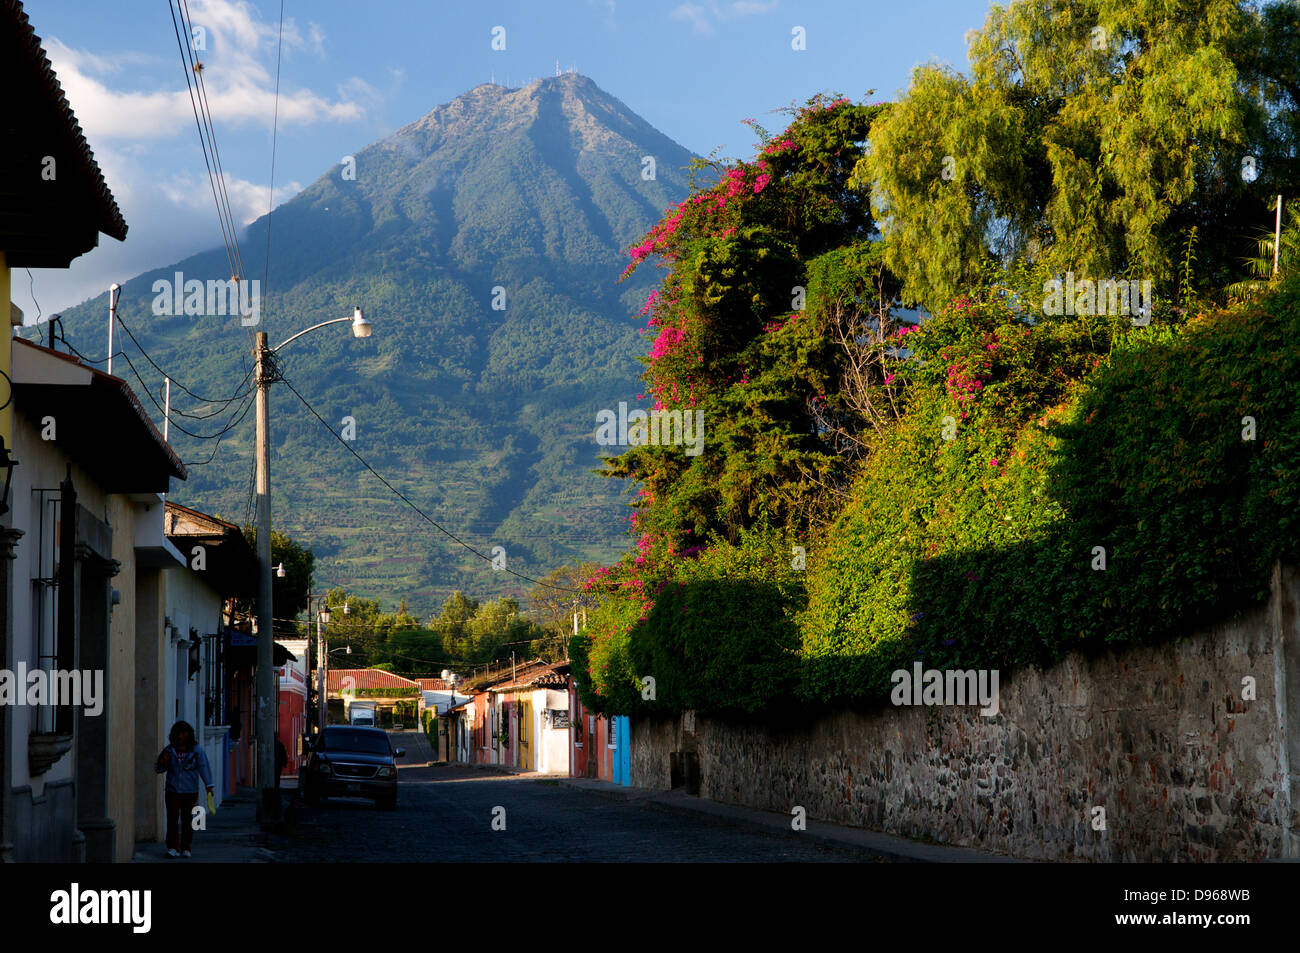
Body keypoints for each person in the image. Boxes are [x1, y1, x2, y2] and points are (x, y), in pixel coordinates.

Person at [155, 721, 215, 858]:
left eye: (183, 733)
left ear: (189, 734)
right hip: (172, 790)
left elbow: (203, 767)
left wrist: (209, 785)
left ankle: (186, 847)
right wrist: (162, 762)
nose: (181, 736)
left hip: (190, 790)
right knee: (172, 819)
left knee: (188, 820)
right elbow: (158, 769)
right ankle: (172, 847)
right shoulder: (169, 750)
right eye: (178, 733)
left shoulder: (196, 750)